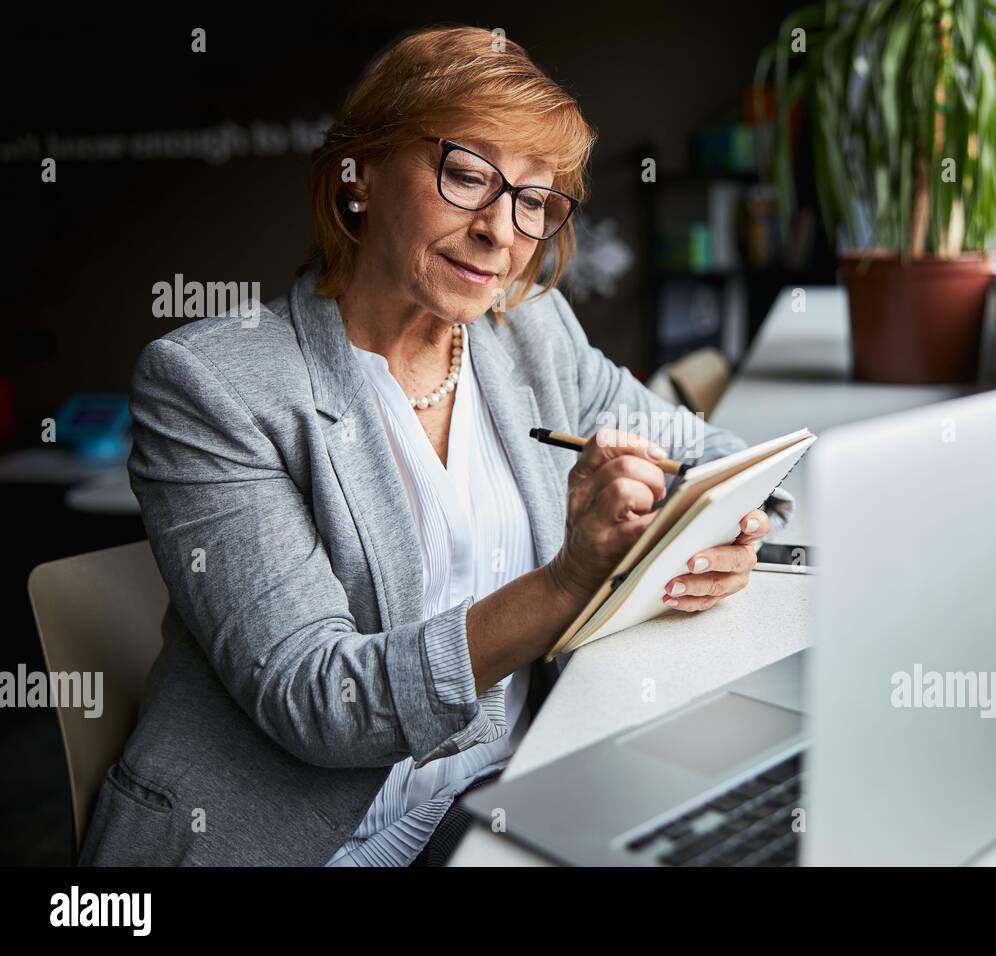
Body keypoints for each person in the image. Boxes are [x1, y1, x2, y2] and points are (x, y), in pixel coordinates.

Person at [80, 25, 790, 867]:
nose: (502, 231)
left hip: (507, 792)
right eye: (466, 175)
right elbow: (322, 700)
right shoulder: (212, 385)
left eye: (535, 198)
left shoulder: (526, 327)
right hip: (310, 845)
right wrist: (568, 583)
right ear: (360, 175)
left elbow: (699, 447)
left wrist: (732, 525)